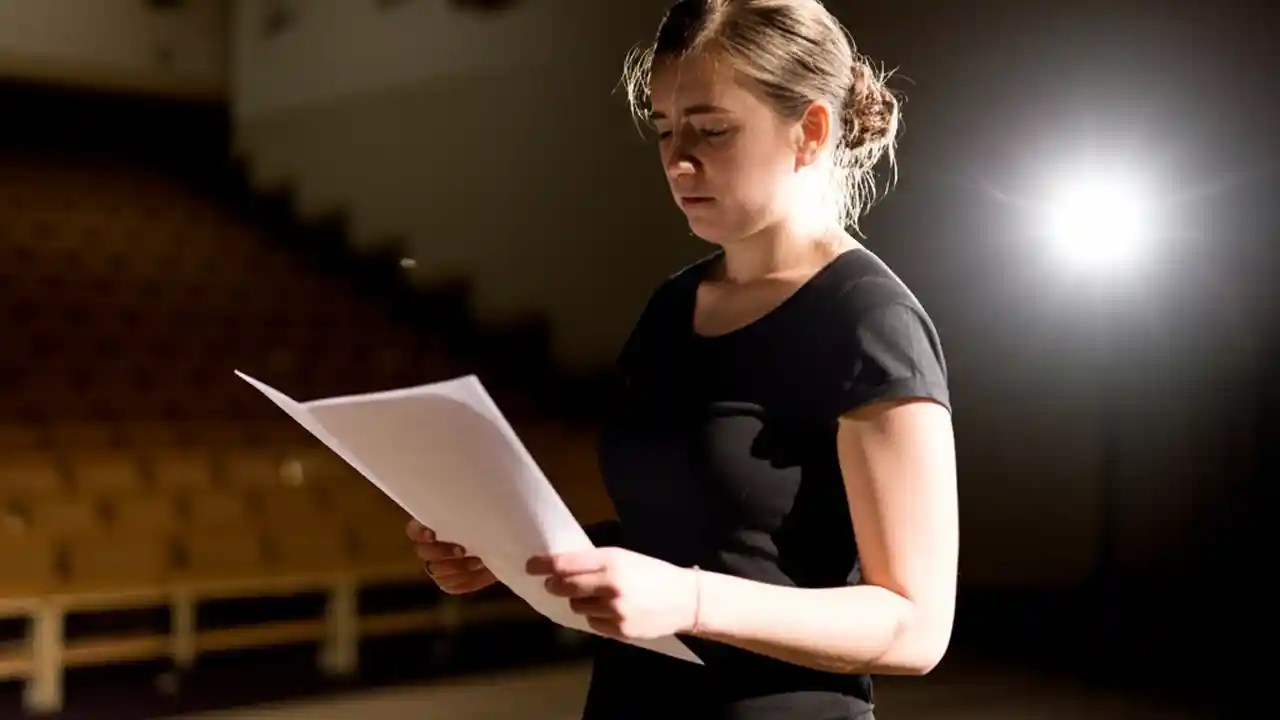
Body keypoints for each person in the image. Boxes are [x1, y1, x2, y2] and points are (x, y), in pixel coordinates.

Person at [406, 0, 958, 717]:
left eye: (713, 130)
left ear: (811, 131)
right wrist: (512, 553)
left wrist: (690, 599)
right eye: (665, 130)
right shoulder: (672, 307)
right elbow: (681, 535)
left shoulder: (870, 320)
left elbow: (917, 627)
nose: (677, 159)